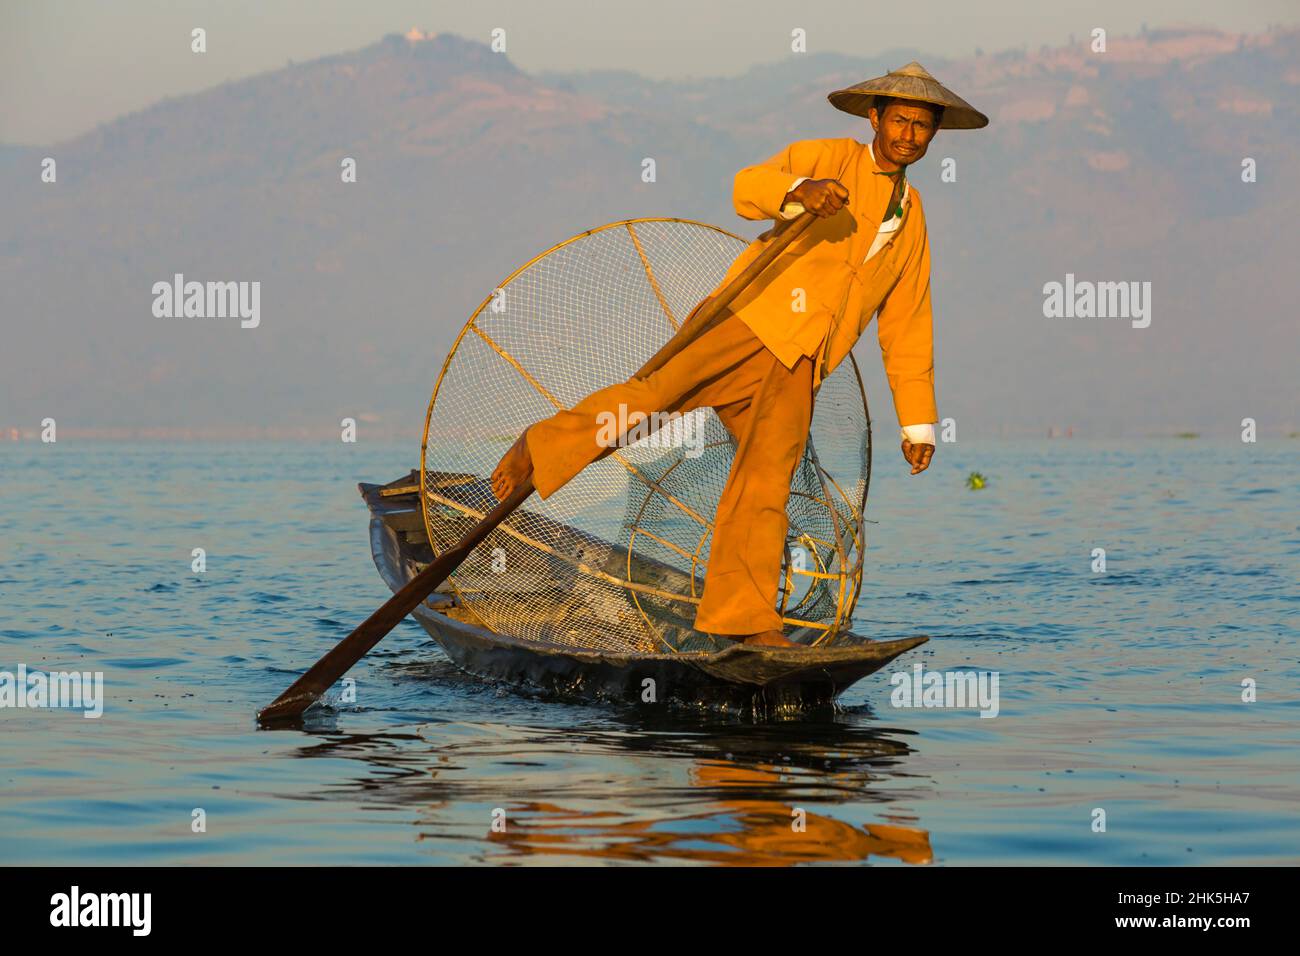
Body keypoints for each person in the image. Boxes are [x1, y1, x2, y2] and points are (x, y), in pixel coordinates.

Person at [492, 62, 987, 647]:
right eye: (900, 120)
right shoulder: (828, 158)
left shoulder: (912, 217)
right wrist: (797, 193)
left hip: (801, 364)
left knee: (764, 487)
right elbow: (747, 186)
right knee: (648, 404)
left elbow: (907, 322)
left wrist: (918, 422)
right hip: (745, 322)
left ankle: (743, 622)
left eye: (922, 127)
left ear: (934, 136)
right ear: (875, 119)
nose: (909, 134)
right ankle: (541, 444)